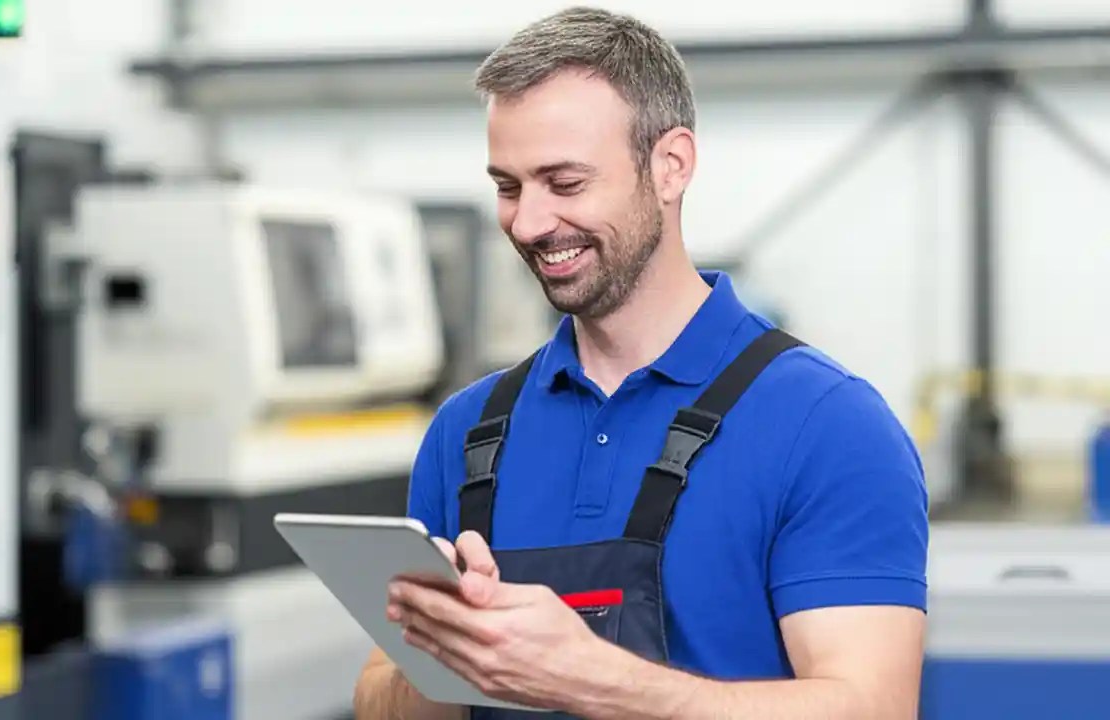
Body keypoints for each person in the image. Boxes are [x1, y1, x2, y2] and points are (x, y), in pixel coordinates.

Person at [354, 7, 928, 719]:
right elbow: (384, 701)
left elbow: (873, 708)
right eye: (508, 187)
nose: (529, 224)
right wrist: (444, 656)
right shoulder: (468, 433)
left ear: (670, 166)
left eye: (564, 183)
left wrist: (591, 678)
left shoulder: (827, 424)